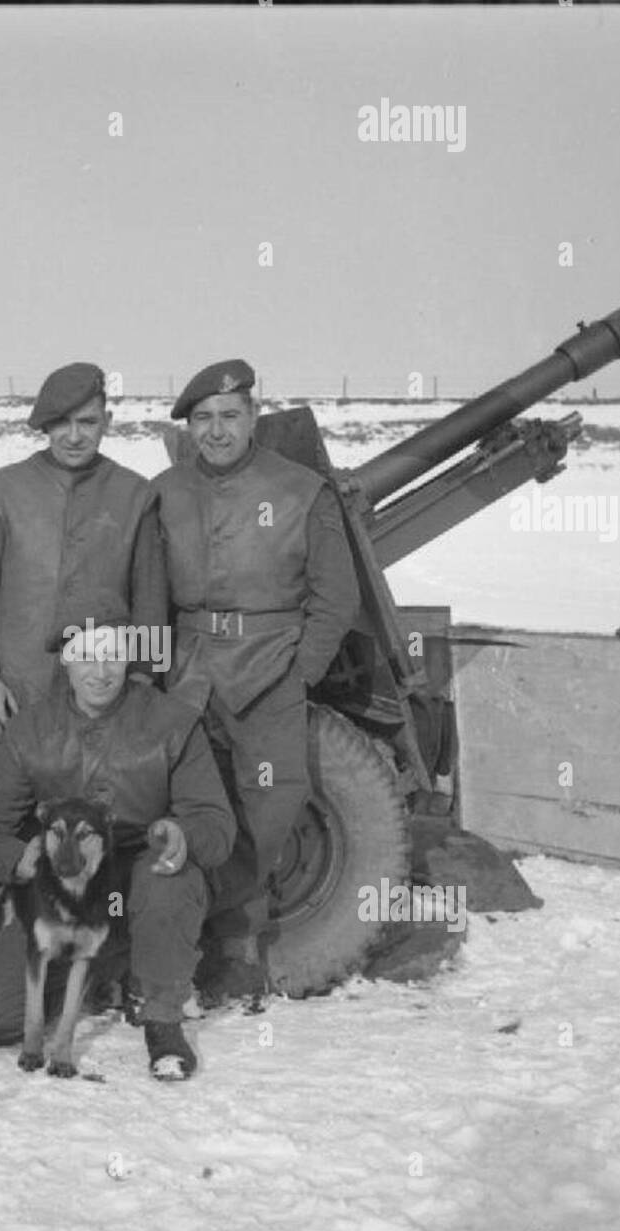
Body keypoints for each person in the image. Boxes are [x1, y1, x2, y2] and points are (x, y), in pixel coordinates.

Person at [152, 359, 360, 994]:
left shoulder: (302, 491)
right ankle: (178, 950)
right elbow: (147, 591)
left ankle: (239, 950)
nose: (216, 431)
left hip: (270, 672)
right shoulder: (164, 491)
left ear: (254, 418)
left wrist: (300, 673)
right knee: (191, 809)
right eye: (204, 419)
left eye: (230, 416)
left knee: (269, 808)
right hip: (189, 673)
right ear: (190, 427)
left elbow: (336, 597)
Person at [0, 614, 236, 1081]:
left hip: (142, 870)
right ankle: (111, 961)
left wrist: (182, 834)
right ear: (67, 665)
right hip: (65, 888)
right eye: (86, 657)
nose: (101, 670)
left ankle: (163, 1019)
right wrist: (19, 859)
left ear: (128, 657)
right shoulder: (30, 730)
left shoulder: (173, 722)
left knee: (165, 876)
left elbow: (216, 823)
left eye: (112, 655)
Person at [0, 362, 166, 738]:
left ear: (107, 421)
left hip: (105, 691)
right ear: (45, 426)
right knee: (14, 792)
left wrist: (143, 678)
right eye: (61, 423)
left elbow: (152, 600)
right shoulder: (4, 490)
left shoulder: (135, 494)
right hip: (19, 690)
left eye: (87, 422)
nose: (73, 436)